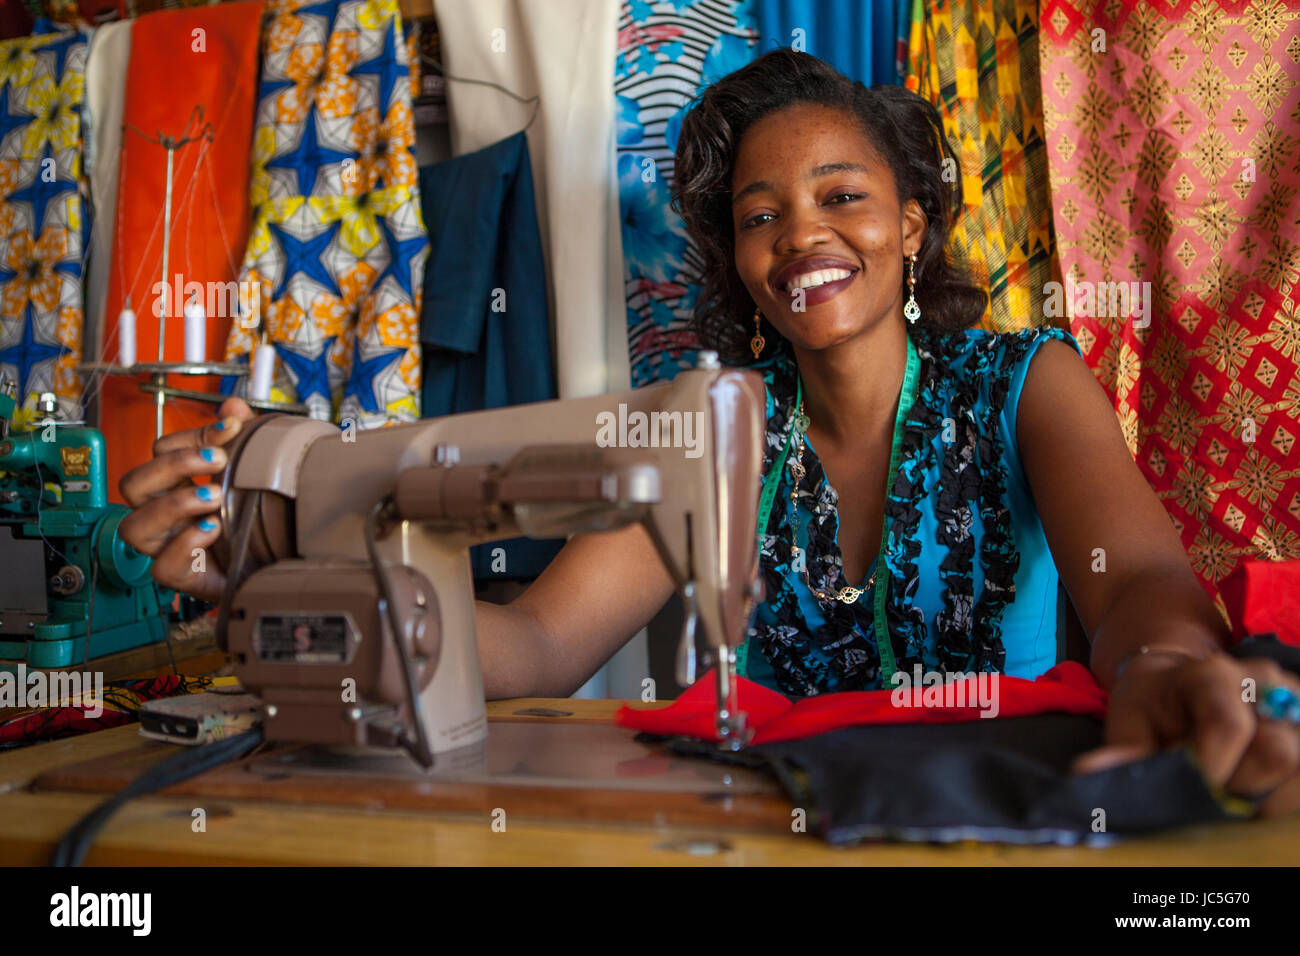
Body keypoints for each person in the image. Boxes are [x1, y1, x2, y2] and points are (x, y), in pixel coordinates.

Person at [118, 51, 1298, 813]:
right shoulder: (720, 431)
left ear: (913, 229)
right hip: (799, 825)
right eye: (759, 215)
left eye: (842, 194)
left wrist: (1163, 667)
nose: (801, 234)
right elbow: (535, 643)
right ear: (738, 261)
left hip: (1009, 816)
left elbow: (1135, 575)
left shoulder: (1024, 382)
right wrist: (270, 580)